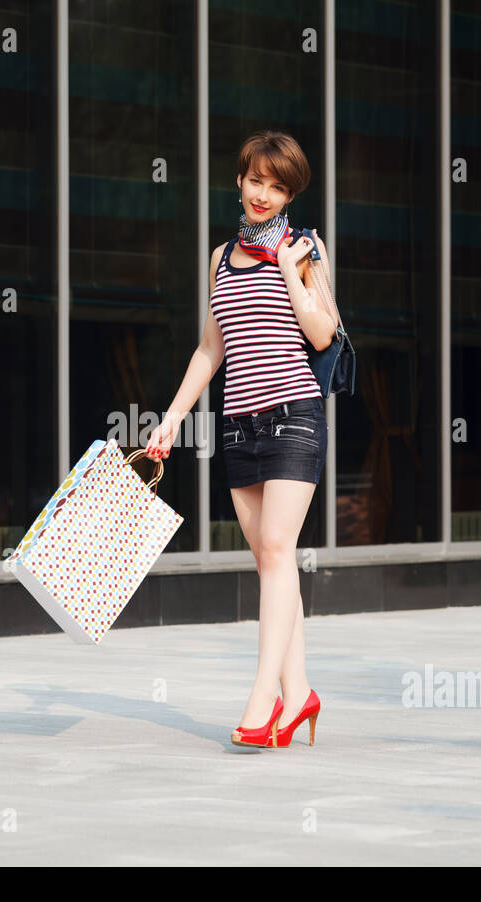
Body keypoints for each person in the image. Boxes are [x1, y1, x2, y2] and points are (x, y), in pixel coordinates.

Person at [145, 130, 337, 748]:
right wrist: (173, 417)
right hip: (238, 423)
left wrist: (290, 270)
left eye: (277, 186)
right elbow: (211, 347)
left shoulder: (305, 249)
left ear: (289, 195)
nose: (264, 194)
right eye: (257, 180)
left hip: (294, 417)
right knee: (269, 561)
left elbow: (323, 334)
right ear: (240, 179)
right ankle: (301, 692)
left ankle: (263, 701)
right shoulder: (219, 257)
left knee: (278, 550)